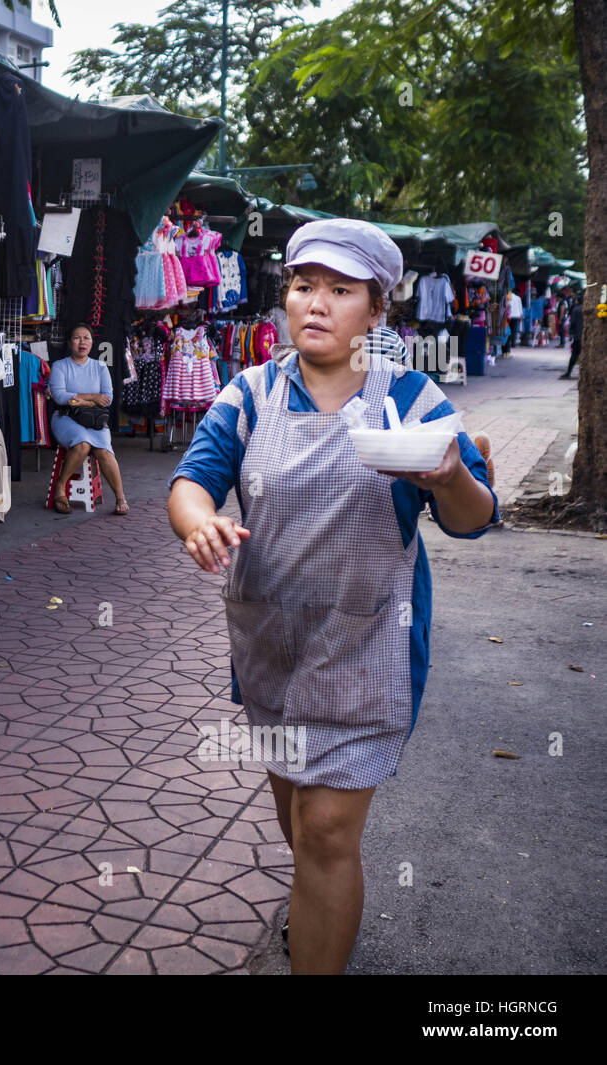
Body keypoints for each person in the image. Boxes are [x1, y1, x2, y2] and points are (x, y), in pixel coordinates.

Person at [167, 218, 499, 975]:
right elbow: (193, 480)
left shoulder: (411, 398)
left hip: (370, 644)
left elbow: (474, 519)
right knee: (297, 819)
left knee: (324, 829)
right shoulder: (249, 392)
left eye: (339, 290)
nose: (314, 304)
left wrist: (449, 478)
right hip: (271, 646)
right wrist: (200, 524)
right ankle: (316, 908)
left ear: (377, 310)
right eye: (303, 285)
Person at [49, 324, 129, 515]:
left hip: (94, 420)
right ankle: (61, 486)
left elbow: (107, 398)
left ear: (92, 342)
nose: (82, 342)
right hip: (66, 418)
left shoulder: (100, 367)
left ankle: (120, 497)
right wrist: (93, 397)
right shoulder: (60, 366)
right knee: (83, 445)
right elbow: (60, 396)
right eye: (77, 338)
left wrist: (79, 400)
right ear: (70, 343)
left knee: (104, 451)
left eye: (86, 338)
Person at [559, 293, 583, 379]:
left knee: (574, 355)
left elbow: (572, 323)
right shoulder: (583, 309)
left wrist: (571, 333)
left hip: (578, 336)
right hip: (583, 336)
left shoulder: (576, 309)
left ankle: (568, 372)